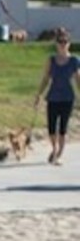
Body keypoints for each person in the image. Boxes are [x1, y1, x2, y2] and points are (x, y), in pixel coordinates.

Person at [34, 28, 80, 166]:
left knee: (63, 129)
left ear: (69, 43)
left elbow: (78, 80)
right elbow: (46, 78)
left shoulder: (74, 60)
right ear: (56, 44)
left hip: (67, 98)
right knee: (52, 127)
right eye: (60, 42)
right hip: (53, 97)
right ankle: (54, 149)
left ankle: (59, 154)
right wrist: (39, 94)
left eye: (65, 42)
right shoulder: (51, 60)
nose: (62, 44)